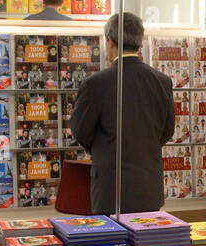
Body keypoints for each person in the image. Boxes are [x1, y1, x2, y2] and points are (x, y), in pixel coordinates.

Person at [68, 12, 173, 213]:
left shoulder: (95, 84)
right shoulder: (162, 81)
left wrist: (104, 148)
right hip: (149, 187)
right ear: (139, 42)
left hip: (110, 187)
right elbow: (167, 130)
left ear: (110, 41)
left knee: (112, 243)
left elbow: (81, 131)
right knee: (145, 242)